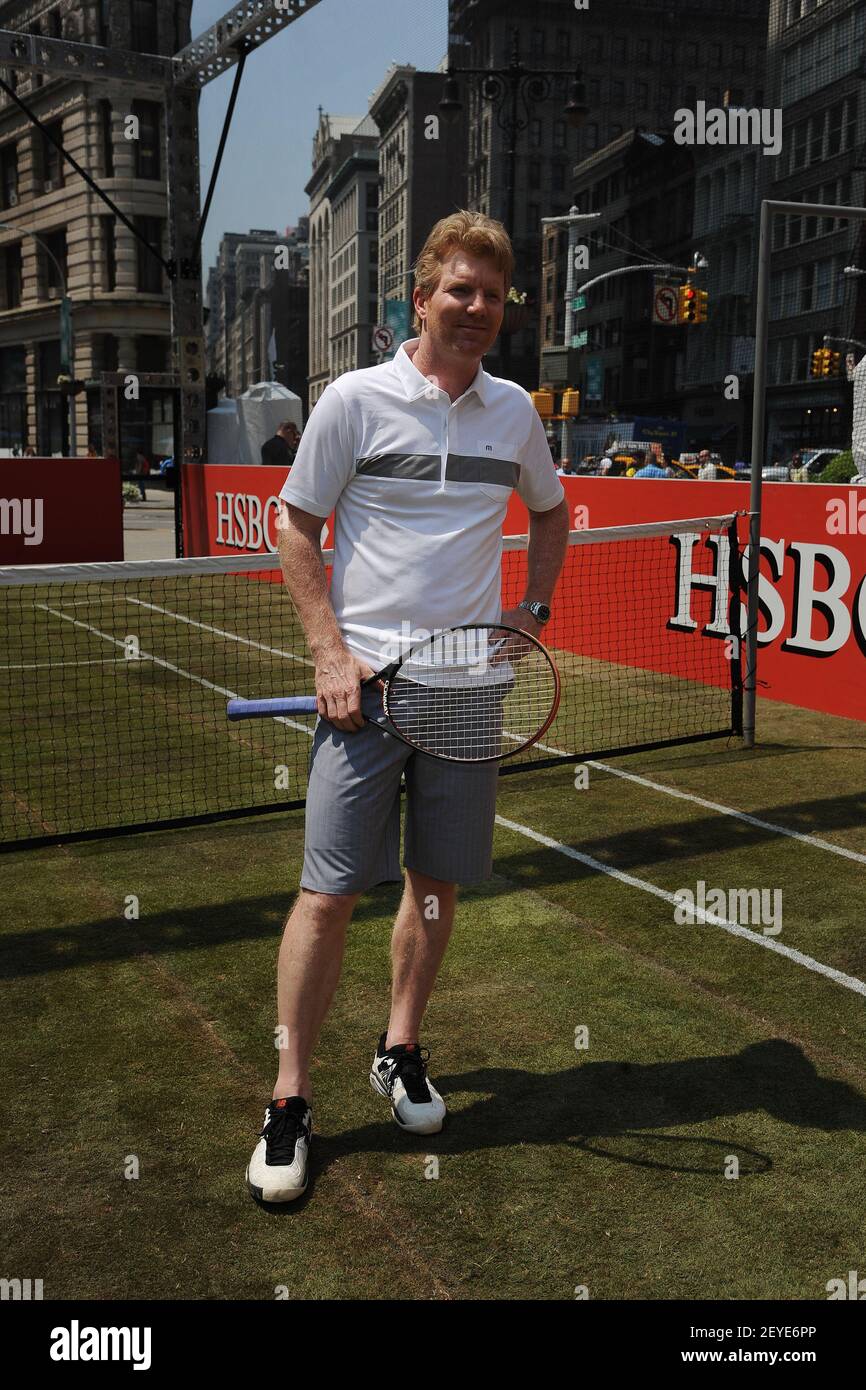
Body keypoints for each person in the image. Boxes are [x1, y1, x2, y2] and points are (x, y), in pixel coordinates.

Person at [247, 208, 569, 1204]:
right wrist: (328, 652)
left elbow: (551, 511)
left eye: (492, 295)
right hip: (364, 695)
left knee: (434, 888)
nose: (475, 309)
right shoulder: (353, 399)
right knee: (327, 895)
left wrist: (531, 610)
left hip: (466, 694)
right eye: (458, 290)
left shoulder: (515, 411)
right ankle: (289, 1100)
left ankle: (399, 1049)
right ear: (420, 294)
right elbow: (293, 523)